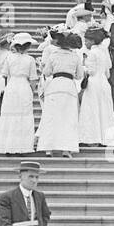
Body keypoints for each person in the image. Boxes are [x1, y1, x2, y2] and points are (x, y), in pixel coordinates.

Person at [36, 28, 83, 157]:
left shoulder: (53, 55)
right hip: (68, 86)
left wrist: (41, 65)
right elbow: (79, 76)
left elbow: (46, 72)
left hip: (55, 86)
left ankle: (48, 148)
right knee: (68, 118)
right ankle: (66, 149)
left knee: (51, 116)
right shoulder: (75, 57)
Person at [0, 33, 39, 155]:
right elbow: (33, 79)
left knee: (9, 115)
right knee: (23, 115)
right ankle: (22, 146)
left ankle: (8, 145)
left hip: (11, 86)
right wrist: (31, 92)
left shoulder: (9, 58)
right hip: (24, 87)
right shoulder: (30, 60)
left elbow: (5, 75)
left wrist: (7, 88)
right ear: (27, 46)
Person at [78, 27, 114, 146]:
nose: (85, 43)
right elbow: (108, 72)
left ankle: (92, 139)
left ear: (93, 41)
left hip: (94, 83)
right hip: (104, 82)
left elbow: (91, 71)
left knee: (92, 109)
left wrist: (83, 67)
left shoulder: (92, 53)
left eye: (87, 41)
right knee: (104, 110)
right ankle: (105, 138)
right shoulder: (103, 51)